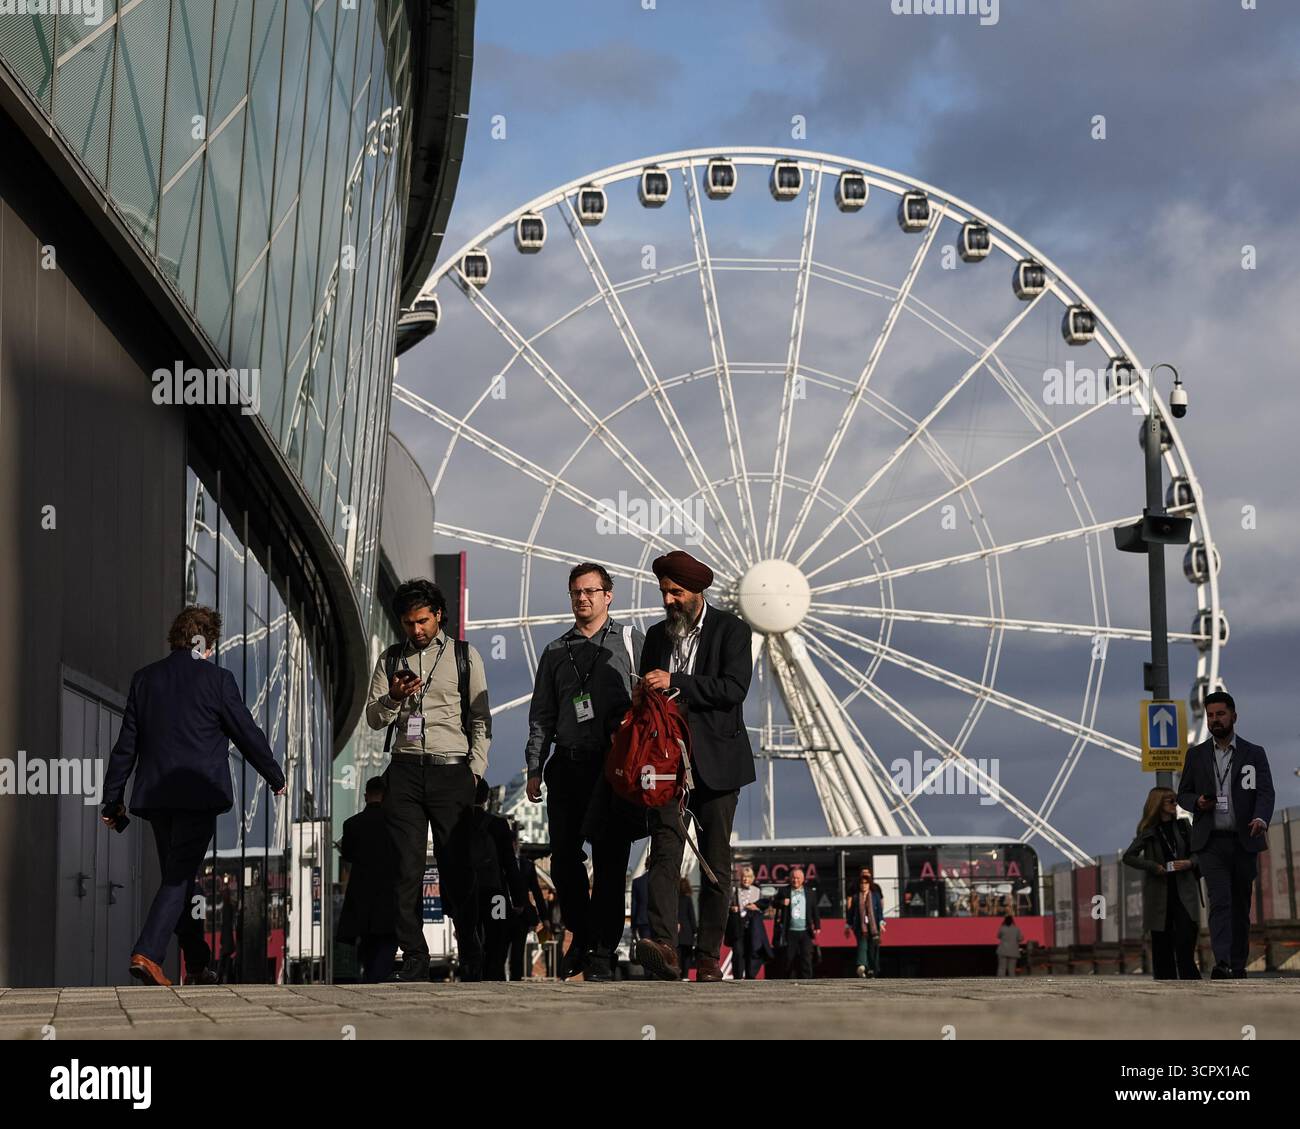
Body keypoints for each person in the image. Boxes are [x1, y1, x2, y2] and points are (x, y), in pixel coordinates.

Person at [100, 605, 286, 986]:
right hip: (198, 795)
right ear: (207, 641)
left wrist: (111, 798)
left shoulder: (145, 679)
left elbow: (126, 747)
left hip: (155, 798)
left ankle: (197, 963)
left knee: (180, 876)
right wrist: (274, 775)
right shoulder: (218, 680)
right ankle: (147, 953)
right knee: (179, 877)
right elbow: (245, 733)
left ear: (176, 638)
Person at [633, 551, 756, 983]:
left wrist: (676, 682)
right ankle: (665, 948)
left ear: (696, 592)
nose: (668, 599)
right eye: (664, 591)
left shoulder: (732, 631)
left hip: (718, 762)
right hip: (667, 762)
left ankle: (706, 957)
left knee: (716, 862)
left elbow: (733, 688)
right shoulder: (656, 636)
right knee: (663, 853)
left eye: (676, 592)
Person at [365, 578, 491, 982]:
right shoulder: (389, 659)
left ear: (438, 615)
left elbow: (481, 719)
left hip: (452, 771)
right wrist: (395, 698)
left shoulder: (464, 656)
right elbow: (373, 718)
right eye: (407, 623)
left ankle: (470, 944)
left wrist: (475, 771)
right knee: (406, 868)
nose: (415, 630)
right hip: (403, 770)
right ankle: (415, 957)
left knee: (457, 870)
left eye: (422, 621)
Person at [525, 563, 645, 980]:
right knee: (563, 861)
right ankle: (582, 929)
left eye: (591, 591)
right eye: (576, 592)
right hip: (569, 764)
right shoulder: (556, 651)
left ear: (608, 595)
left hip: (612, 766)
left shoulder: (630, 641)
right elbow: (541, 712)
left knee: (611, 862)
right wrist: (534, 767)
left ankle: (601, 952)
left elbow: (649, 701)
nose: (583, 598)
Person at [1176, 691, 1274, 979]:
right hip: (1211, 843)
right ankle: (1222, 963)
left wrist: (1261, 818)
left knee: (1241, 904)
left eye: (1220, 714)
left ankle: (1238, 962)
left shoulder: (1254, 754)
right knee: (1220, 901)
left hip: (1244, 840)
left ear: (1234, 716)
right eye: (1210, 715)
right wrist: (1197, 803)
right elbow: (1183, 794)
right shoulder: (1196, 756)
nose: (1214, 720)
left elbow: (1265, 792)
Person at [1123, 787, 1201, 980]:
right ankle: (1165, 983)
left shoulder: (1184, 827)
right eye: (1171, 801)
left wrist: (1190, 862)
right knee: (1161, 942)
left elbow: (1198, 852)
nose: (1176, 805)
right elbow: (1129, 857)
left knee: (1186, 937)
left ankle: (1191, 981)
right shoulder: (1148, 833)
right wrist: (1153, 866)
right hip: (1160, 893)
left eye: (1176, 801)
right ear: (1158, 804)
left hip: (1184, 890)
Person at [337, 776, 401, 983]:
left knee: (366, 940)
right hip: (389, 890)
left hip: (361, 891)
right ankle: (378, 978)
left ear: (366, 796)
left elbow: (347, 856)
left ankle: (368, 978)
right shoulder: (397, 823)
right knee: (387, 939)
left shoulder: (351, 824)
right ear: (387, 796)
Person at [469, 779, 526, 981]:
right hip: (496, 894)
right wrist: (519, 900)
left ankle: (471, 975)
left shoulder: (456, 824)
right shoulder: (498, 825)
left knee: (469, 935)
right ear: (486, 798)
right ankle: (493, 975)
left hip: (468, 893)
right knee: (497, 938)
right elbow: (510, 865)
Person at [507, 829, 547, 981]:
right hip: (501, 913)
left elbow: (536, 892)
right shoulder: (496, 863)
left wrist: (545, 918)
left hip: (522, 916)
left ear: (516, 844)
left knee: (517, 955)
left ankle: (514, 982)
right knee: (499, 953)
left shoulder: (527, 866)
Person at [773, 866, 820, 979]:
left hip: (805, 931)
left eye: (798, 878)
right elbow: (774, 903)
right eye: (793, 878)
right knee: (788, 958)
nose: (795, 880)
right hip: (790, 931)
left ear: (803, 879)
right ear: (790, 878)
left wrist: (818, 926)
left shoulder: (810, 892)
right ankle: (786, 980)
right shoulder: (784, 891)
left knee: (806, 957)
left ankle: (808, 981)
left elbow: (815, 910)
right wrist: (781, 902)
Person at [728, 865, 772, 979]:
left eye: (748, 877)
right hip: (738, 927)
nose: (745, 879)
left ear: (752, 878)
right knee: (738, 952)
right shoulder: (734, 890)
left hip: (752, 927)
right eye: (743, 877)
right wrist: (732, 909)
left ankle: (750, 976)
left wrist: (756, 907)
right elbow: (726, 906)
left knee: (752, 951)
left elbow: (765, 909)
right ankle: (737, 976)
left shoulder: (757, 891)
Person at [845, 867, 884, 978]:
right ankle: (861, 966)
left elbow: (880, 911)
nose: (864, 885)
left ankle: (872, 969)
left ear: (869, 884)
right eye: (862, 883)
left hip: (874, 927)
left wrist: (881, 923)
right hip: (860, 926)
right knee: (862, 946)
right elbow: (851, 912)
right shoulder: (856, 896)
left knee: (873, 949)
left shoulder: (875, 895)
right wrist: (848, 925)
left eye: (866, 883)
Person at [630, 872, 652, 941]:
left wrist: (633, 926)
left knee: (646, 948)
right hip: (660, 921)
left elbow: (634, 905)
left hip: (643, 921)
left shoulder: (637, 882)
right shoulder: (663, 880)